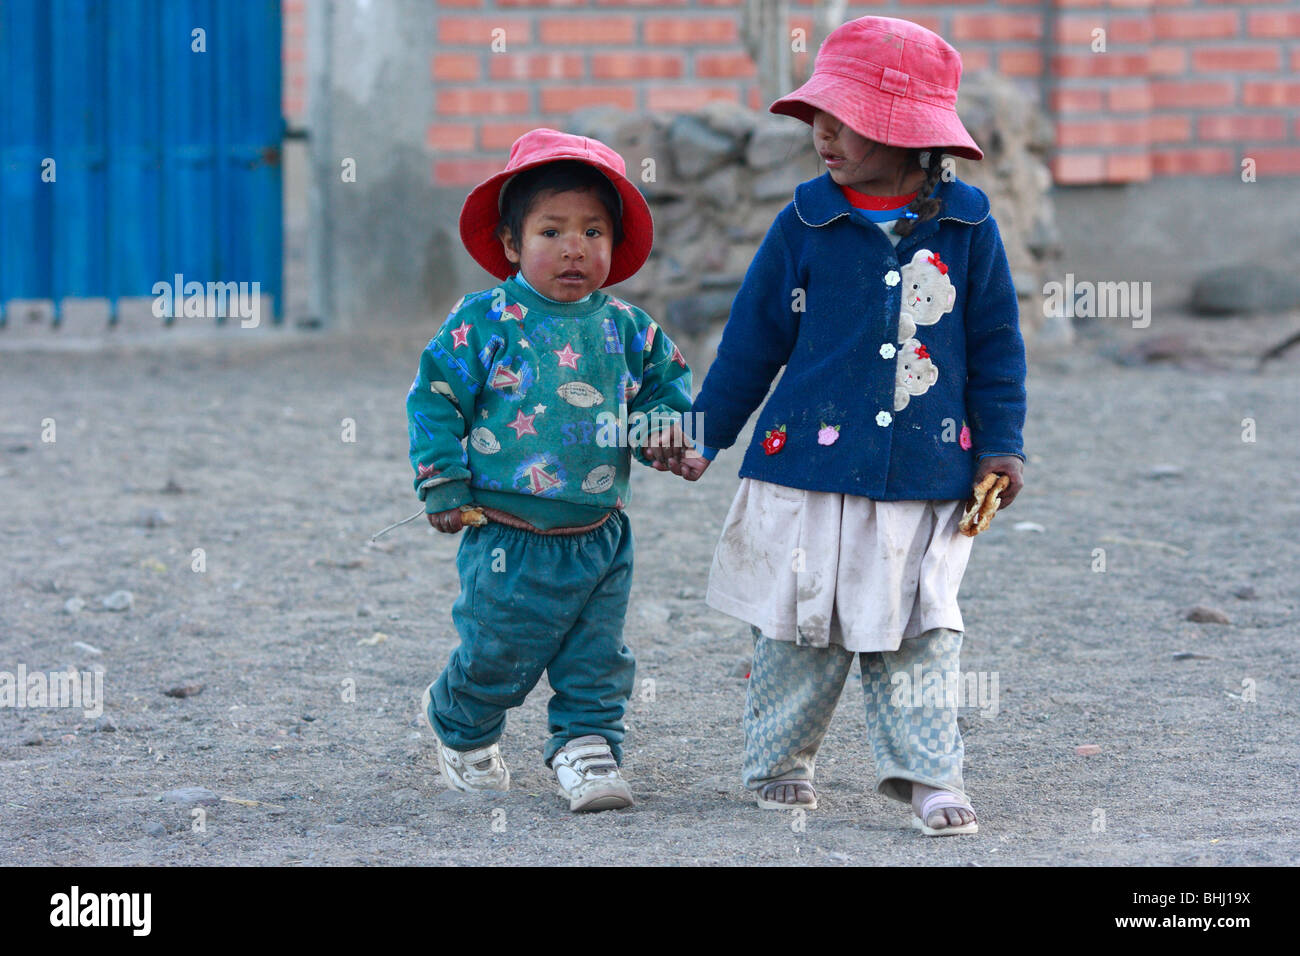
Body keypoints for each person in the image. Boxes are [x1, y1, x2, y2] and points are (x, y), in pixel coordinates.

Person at [676, 16, 1027, 835]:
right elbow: (753, 341)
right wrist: (703, 434)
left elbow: (996, 346)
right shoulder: (803, 224)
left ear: (911, 135)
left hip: (924, 474)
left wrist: (1002, 446)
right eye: (819, 115)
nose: (824, 132)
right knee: (801, 624)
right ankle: (778, 760)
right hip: (805, 469)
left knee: (920, 626)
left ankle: (930, 775)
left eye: (848, 117)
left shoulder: (969, 229)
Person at [407, 129, 697, 812]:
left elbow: (667, 389)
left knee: (598, 660)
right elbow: (435, 399)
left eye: (594, 231)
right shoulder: (483, 322)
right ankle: (462, 723)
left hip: (601, 533)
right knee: (497, 657)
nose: (575, 248)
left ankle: (587, 751)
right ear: (511, 244)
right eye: (552, 231)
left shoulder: (631, 329)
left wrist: (661, 429)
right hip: (508, 535)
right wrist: (443, 482)